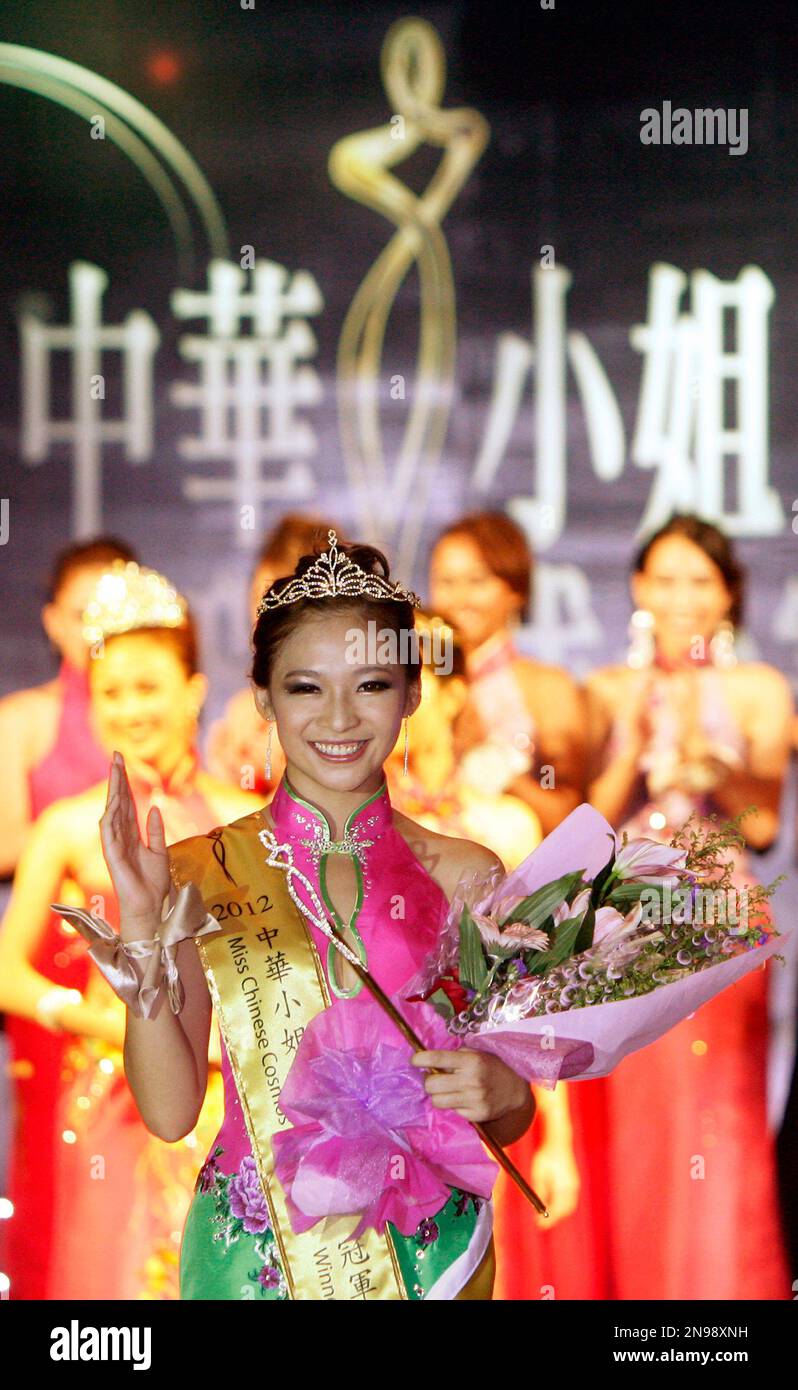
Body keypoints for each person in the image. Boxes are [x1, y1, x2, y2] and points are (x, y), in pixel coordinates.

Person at [90, 532, 537, 1299]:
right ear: (262, 696)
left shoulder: (467, 875)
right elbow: (168, 1113)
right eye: (305, 687)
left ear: (412, 693)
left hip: (422, 1254)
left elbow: (508, 1110)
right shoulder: (202, 871)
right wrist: (140, 929)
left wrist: (501, 1091)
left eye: (370, 685)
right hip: (252, 1264)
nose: (339, 717)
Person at [0, 562, 262, 1299]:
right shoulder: (68, 825)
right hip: (116, 1095)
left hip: (233, 1101)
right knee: (112, 1285)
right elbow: (7, 970)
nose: (130, 709)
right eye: (110, 692)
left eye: (148, 687)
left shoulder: (243, 824)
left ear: (194, 692)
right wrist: (88, 1017)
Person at [585, 513, 794, 1299]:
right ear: (639, 588)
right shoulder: (609, 690)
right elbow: (584, 825)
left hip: (723, 917)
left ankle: (719, 1296)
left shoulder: (759, 689)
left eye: (699, 581)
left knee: (717, 1112)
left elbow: (766, 823)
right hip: (626, 921)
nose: (681, 598)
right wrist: (634, 747)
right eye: (665, 580)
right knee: (639, 1122)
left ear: (729, 594)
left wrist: (714, 764)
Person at [430, 511, 611, 1299]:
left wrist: (557, 1140)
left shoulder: (492, 829)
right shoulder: (349, 839)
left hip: (485, 1103)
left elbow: (533, 1000)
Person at [0, 536, 137, 877]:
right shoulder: (21, 719)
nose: (97, 633)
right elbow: (4, 846)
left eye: (112, 614)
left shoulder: (159, 715)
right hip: (50, 917)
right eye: (82, 616)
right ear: (53, 622)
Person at [205, 513, 337, 798]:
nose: (262, 620)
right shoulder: (244, 712)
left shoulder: (364, 707)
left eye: (279, 604)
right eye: (258, 601)